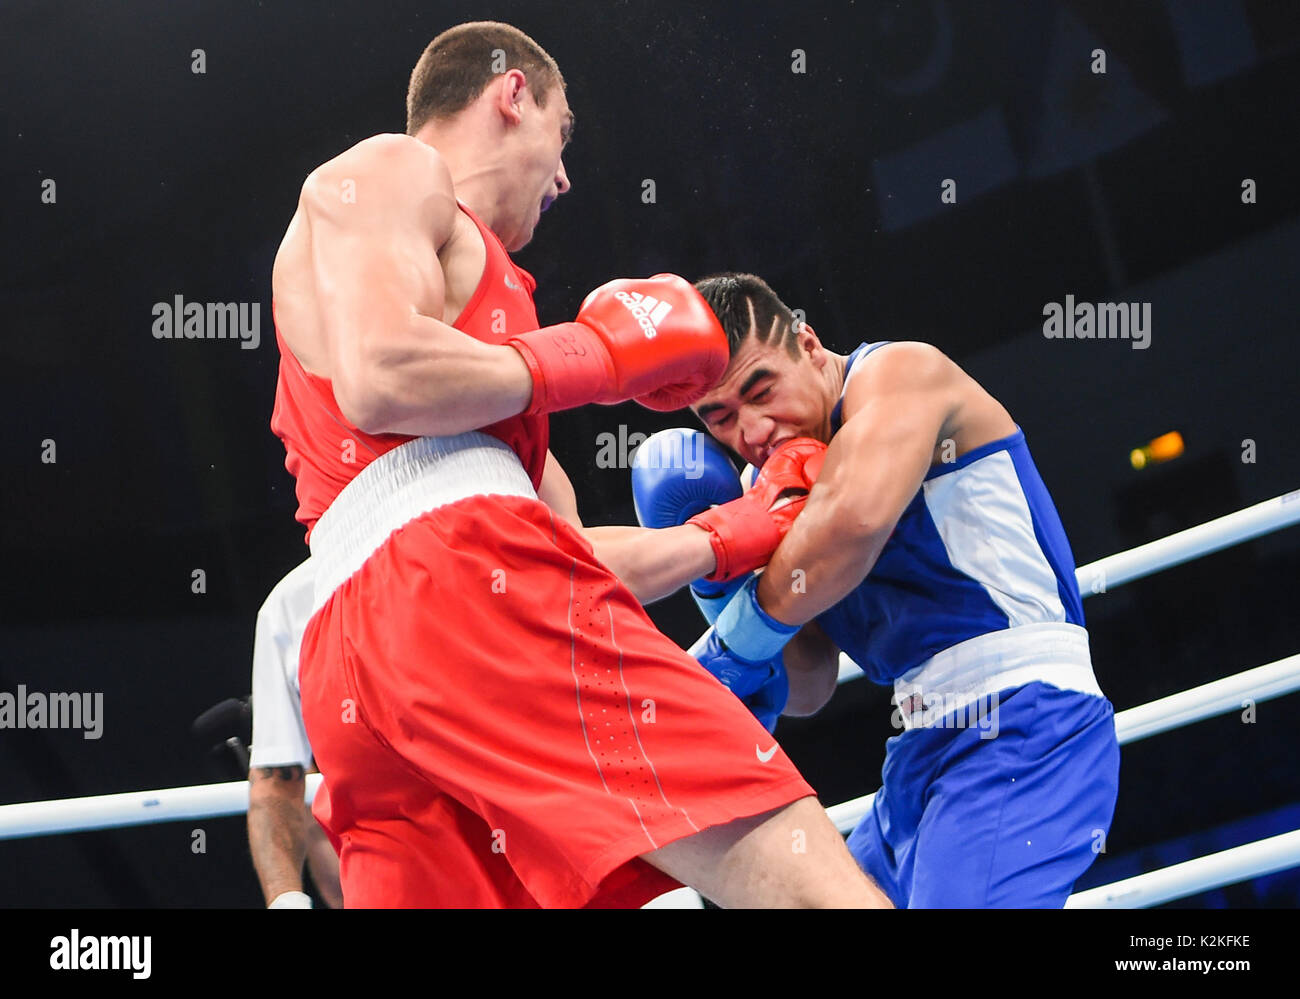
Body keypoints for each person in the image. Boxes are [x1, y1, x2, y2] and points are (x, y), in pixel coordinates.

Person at [269, 21, 891, 908]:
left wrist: (733, 535)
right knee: (790, 860)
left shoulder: (485, 367)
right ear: (511, 94)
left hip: (360, 656)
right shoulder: (396, 172)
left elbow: (570, 559)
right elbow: (378, 376)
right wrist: (598, 358)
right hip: (451, 575)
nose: (565, 177)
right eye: (562, 135)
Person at [670, 271, 1120, 908]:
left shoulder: (900, 374)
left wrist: (730, 642)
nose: (754, 430)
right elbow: (808, 687)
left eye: (761, 390)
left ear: (809, 343)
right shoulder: (765, 486)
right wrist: (718, 585)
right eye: (721, 418)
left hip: (1024, 717)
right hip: (917, 750)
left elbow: (854, 523)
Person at [247, 558, 343, 909]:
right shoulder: (290, 603)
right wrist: (287, 902)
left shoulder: (479, 557)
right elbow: (275, 781)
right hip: (378, 869)